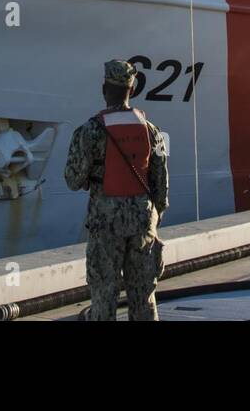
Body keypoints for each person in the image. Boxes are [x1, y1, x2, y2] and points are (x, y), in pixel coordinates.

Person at [63, 60, 169, 321]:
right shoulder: (151, 130)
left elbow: (72, 180)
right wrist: (151, 220)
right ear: (132, 90)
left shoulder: (89, 132)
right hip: (143, 224)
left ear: (104, 89)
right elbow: (161, 185)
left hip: (105, 224)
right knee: (144, 297)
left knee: (103, 297)